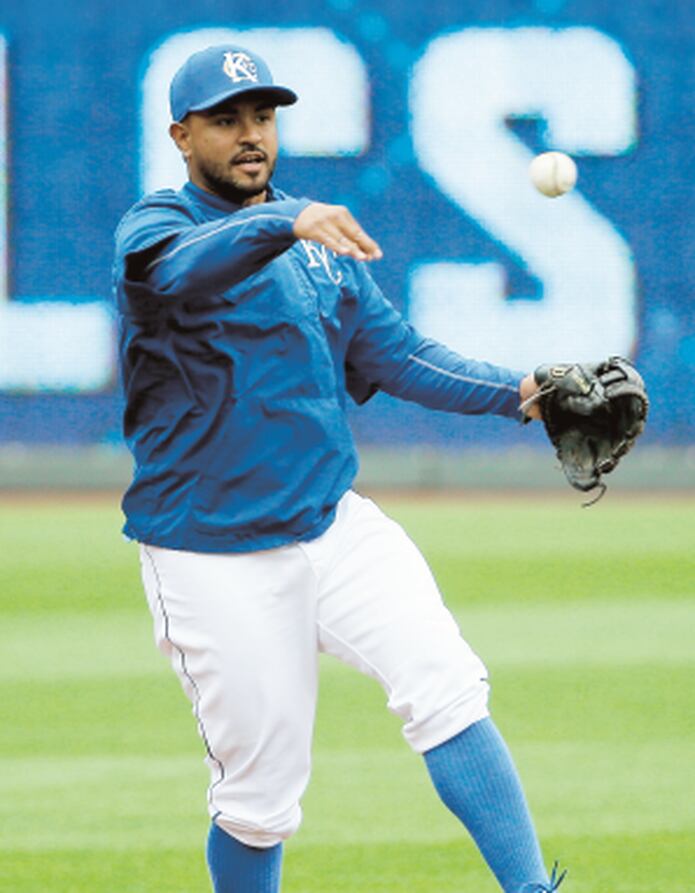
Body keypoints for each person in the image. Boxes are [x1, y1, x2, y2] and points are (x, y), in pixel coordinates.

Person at [113, 44, 566, 893]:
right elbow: (182, 272)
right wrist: (283, 222)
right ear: (181, 135)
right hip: (212, 554)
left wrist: (522, 393)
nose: (250, 135)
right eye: (225, 119)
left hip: (334, 523)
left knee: (446, 686)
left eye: (262, 116)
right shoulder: (157, 227)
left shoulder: (317, 241)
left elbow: (397, 356)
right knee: (258, 800)